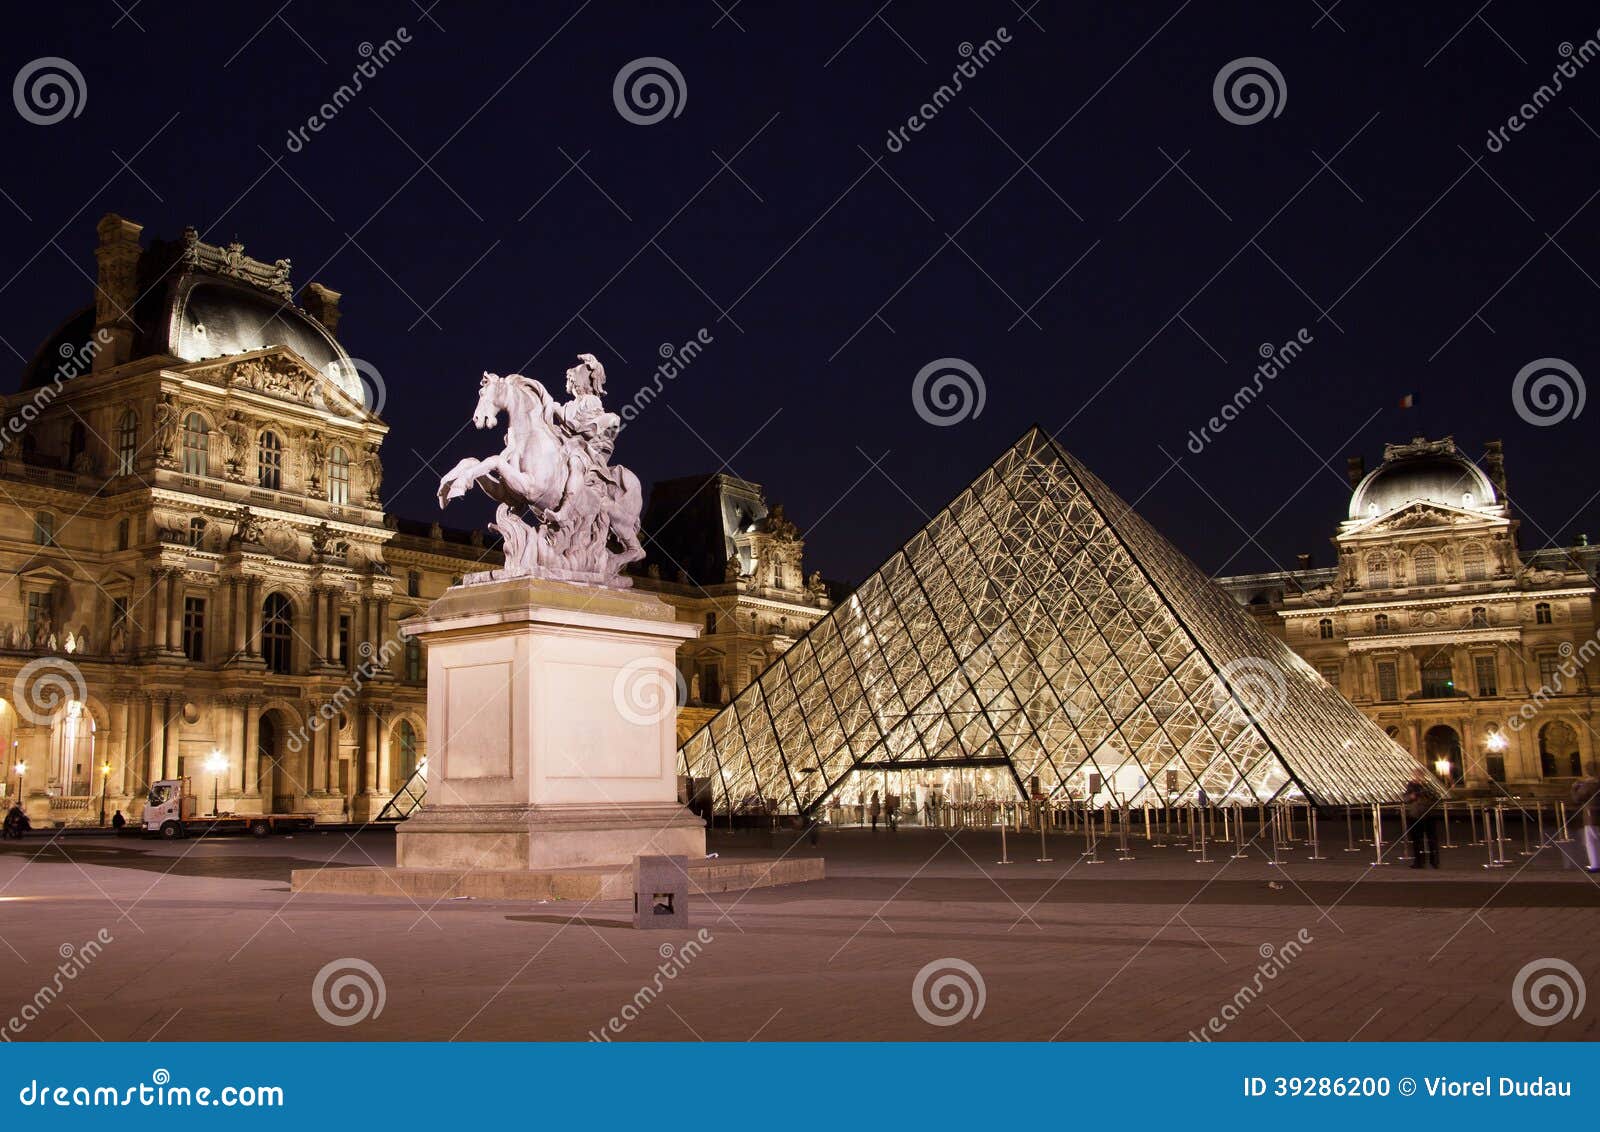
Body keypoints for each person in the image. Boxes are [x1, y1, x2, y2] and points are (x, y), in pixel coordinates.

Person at [1402, 771, 1439, 869]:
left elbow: (1436, 797)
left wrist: (1427, 795)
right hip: (1416, 815)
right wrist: (1411, 797)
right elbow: (1405, 798)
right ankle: (1419, 862)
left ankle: (1434, 861)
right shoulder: (1410, 786)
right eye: (1416, 775)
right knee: (1417, 841)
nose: (1418, 777)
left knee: (1431, 840)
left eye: (1420, 775)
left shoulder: (1428, 786)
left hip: (1428, 815)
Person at [1570, 763, 1600, 872]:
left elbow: (1577, 798)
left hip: (1592, 815)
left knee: (1592, 841)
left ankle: (1596, 865)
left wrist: (1574, 788)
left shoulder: (1589, 784)